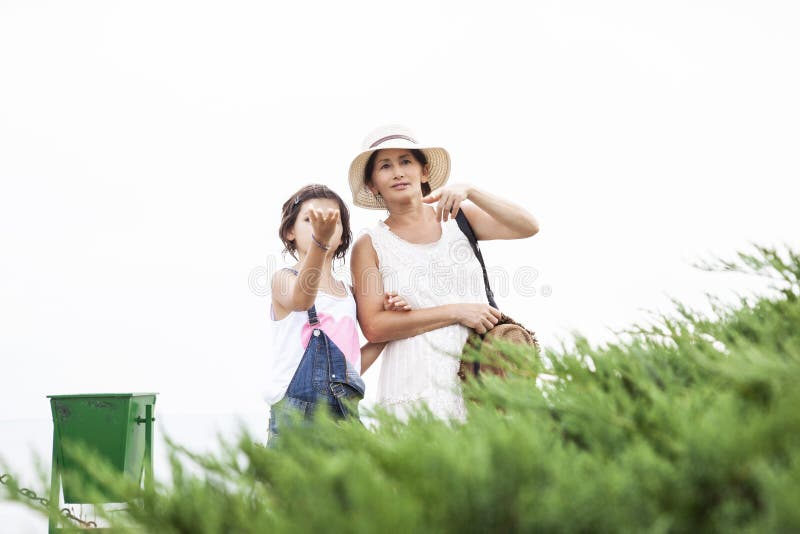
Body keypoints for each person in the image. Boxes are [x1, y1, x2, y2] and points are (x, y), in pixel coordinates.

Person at [349, 125, 540, 421]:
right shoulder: (370, 245)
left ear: (424, 172)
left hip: (481, 377)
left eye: (406, 162)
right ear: (373, 184)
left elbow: (528, 226)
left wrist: (472, 191)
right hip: (414, 382)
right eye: (385, 166)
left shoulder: (459, 217)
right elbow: (374, 326)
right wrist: (457, 311)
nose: (398, 172)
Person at [265, 184, 408, 443]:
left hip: (345, 416)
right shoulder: (284, 279)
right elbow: (301, 299)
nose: (323, 227)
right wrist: (320, 243)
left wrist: (390, 325)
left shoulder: (348, 295)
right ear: (289, 232)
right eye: (310, 220)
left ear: (342, 236)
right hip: (296, 419)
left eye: (332, 221)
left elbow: (350, 367)